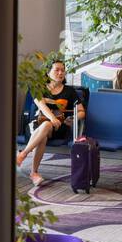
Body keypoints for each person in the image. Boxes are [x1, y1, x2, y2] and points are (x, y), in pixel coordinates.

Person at [16, 59, 84, 187]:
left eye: (62, 70)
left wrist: (74, 117)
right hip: (37, 124)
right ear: (48, 73)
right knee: (45, 129)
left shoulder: (70, 91)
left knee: (47, 127)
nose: (60, 73)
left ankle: (23, 154)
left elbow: (81, 111)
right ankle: (34, 173)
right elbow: (42, 106)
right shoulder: (38, 88)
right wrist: (52, 119)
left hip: (59, 128)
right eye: (56, 70)